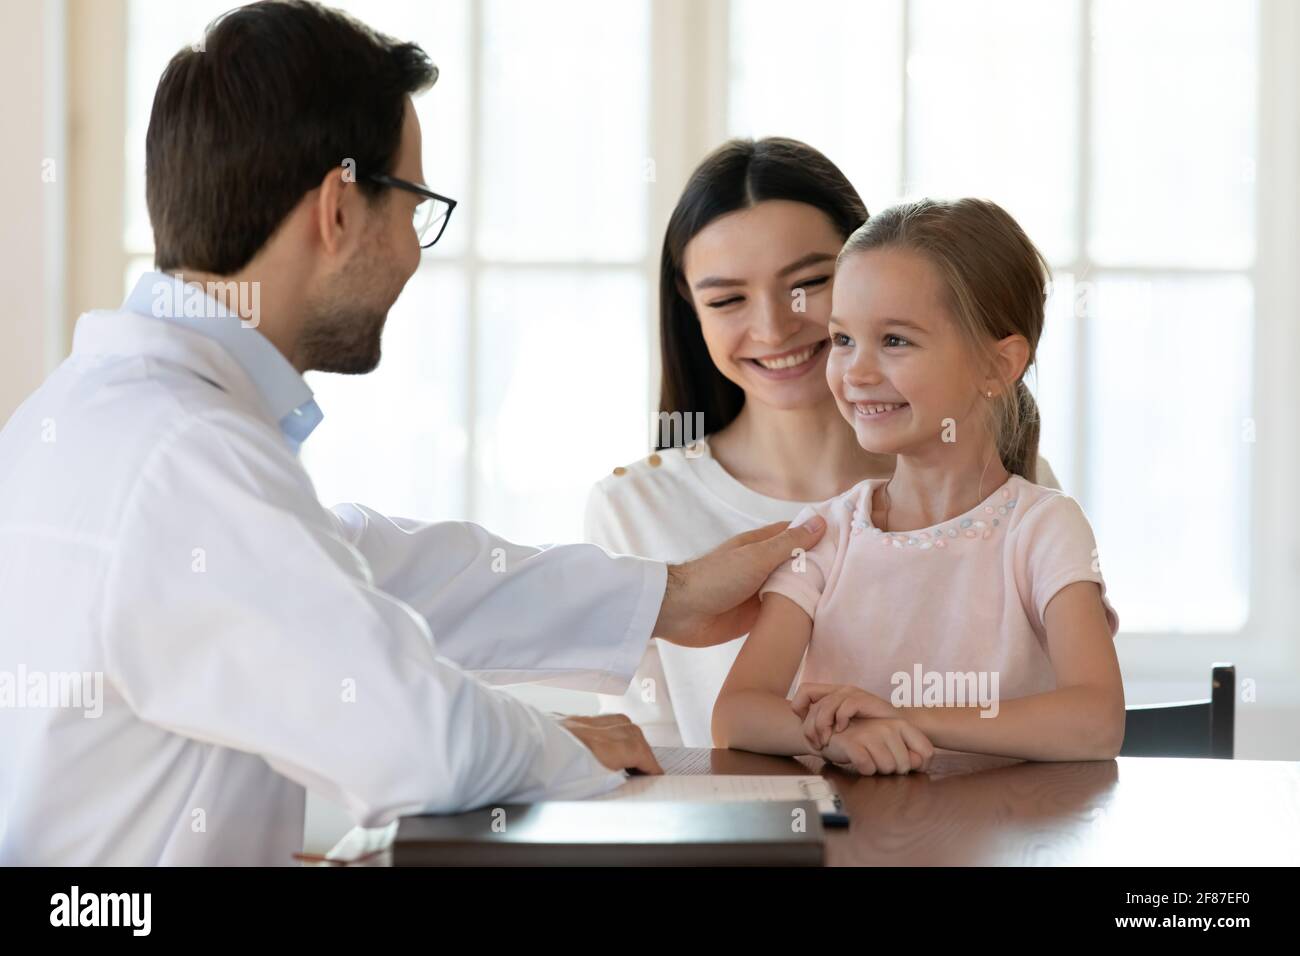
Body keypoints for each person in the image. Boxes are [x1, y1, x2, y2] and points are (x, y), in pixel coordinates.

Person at [0, 0, 825, 865]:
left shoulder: (95, 417)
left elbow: (365, 567)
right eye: (414, 206)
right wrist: (563, 748)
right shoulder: (182, 458)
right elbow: (426, 747)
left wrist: (666, 593)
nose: (415, 249)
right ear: (338, 211)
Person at [586, 138, 1060, 747]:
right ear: (691, 309)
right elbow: (651, 765)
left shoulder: (1013, 488)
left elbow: (1067, 720)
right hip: (753, 841)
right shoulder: (634, 508)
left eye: (810, 283)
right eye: (728, 299)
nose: (774, 326)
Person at [712, 197, 1124, 772]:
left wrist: (905, 721)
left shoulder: (1044, 530)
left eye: (896, 341)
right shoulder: (826, 534)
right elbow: (736, 713)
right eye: (843, 339)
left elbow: (1096, 722)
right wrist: (830, 738)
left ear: (997, 367)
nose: (855, 372)